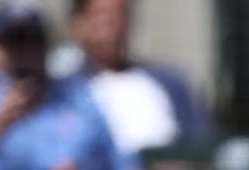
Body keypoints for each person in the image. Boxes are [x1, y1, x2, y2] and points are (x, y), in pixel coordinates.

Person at [0, 2, 134, 170]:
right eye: (14, 41)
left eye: (33, 40)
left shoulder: (77, 98)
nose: (24, 52)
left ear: (46, 45)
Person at [56, 0, 212, 156]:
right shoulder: (65, 94)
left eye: (119, 15)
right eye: (99, 15)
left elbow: (202, 143)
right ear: (78, 23)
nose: (111, 27)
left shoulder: (170, 81)